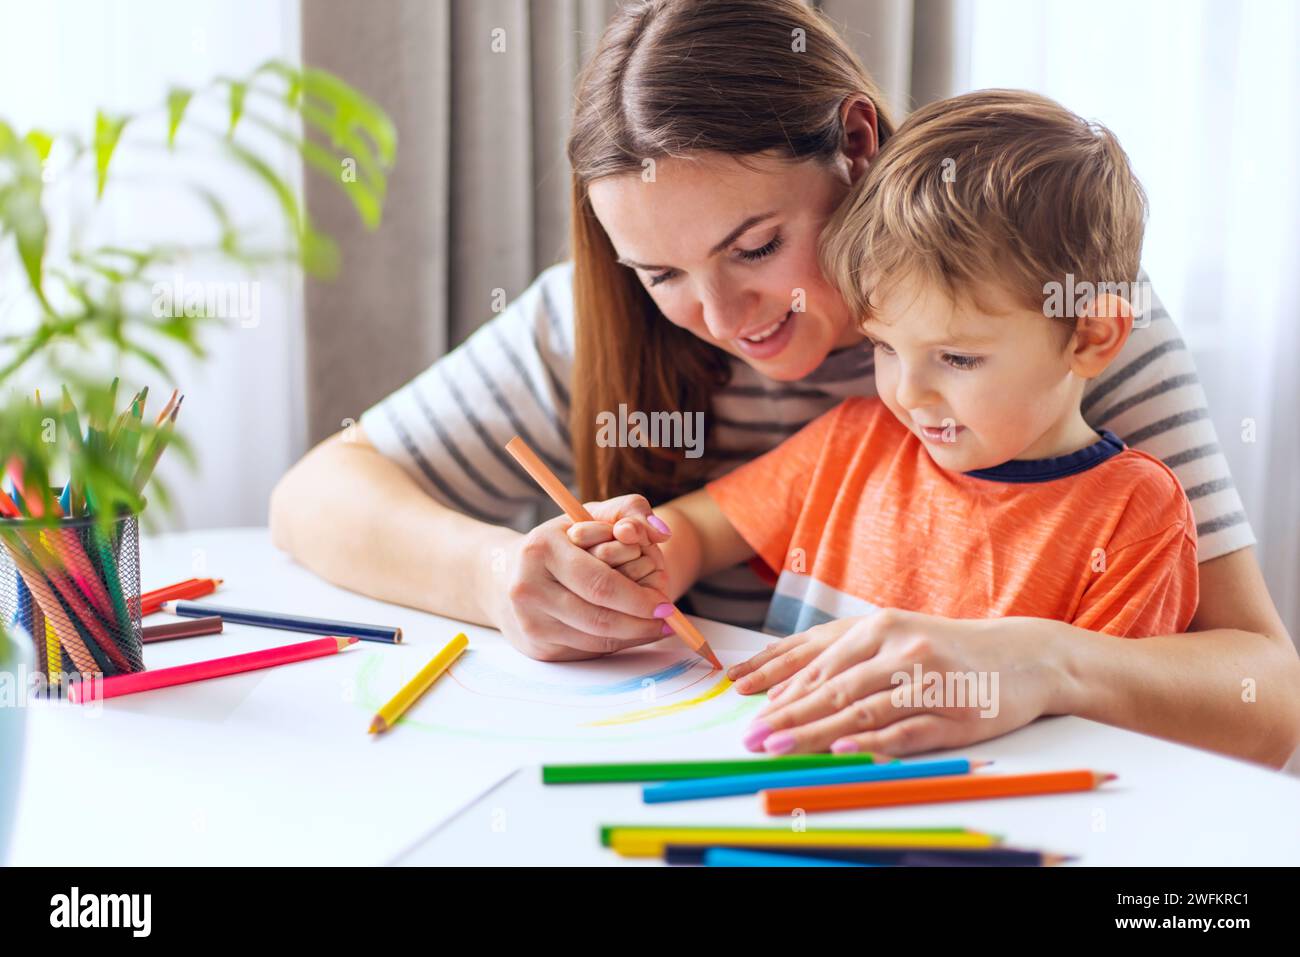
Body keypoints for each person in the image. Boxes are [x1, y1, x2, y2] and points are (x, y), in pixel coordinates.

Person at [269, 0, 1299, 766]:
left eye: (755, 246)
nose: (724, 319)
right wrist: (495, 577)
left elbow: (1266, 692)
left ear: (855, 147)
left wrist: (1043, 662)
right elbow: (315, 494)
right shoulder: (596, 320)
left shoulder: (1041, 310)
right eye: (661, 274)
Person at [568, 89, 1200, 758]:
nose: (909, 391)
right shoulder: (855, 439)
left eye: (956, 357)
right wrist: (640, 553)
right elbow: (694, 530)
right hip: (779, 775)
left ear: (1092, 335)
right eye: (885, 347)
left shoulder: (1136, 514)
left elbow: (1113, 733)